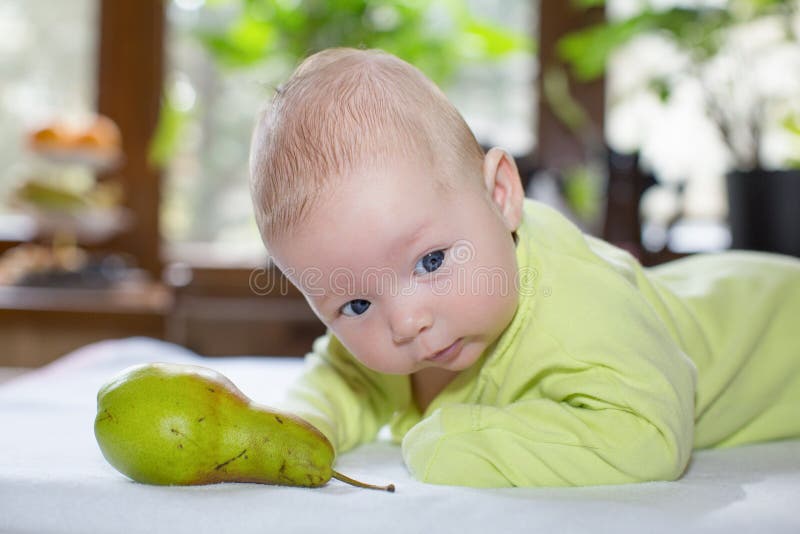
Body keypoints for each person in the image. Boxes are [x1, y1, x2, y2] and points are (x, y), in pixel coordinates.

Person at [248, 47, 800, 487]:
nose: (406, 322)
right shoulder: (419, 308)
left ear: (501, 195)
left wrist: (457, 441)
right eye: (356, 304)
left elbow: (649, 434)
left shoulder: (576, 306)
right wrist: (295, 431)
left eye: (432, 261)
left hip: (779, 322)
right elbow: (340, 381)